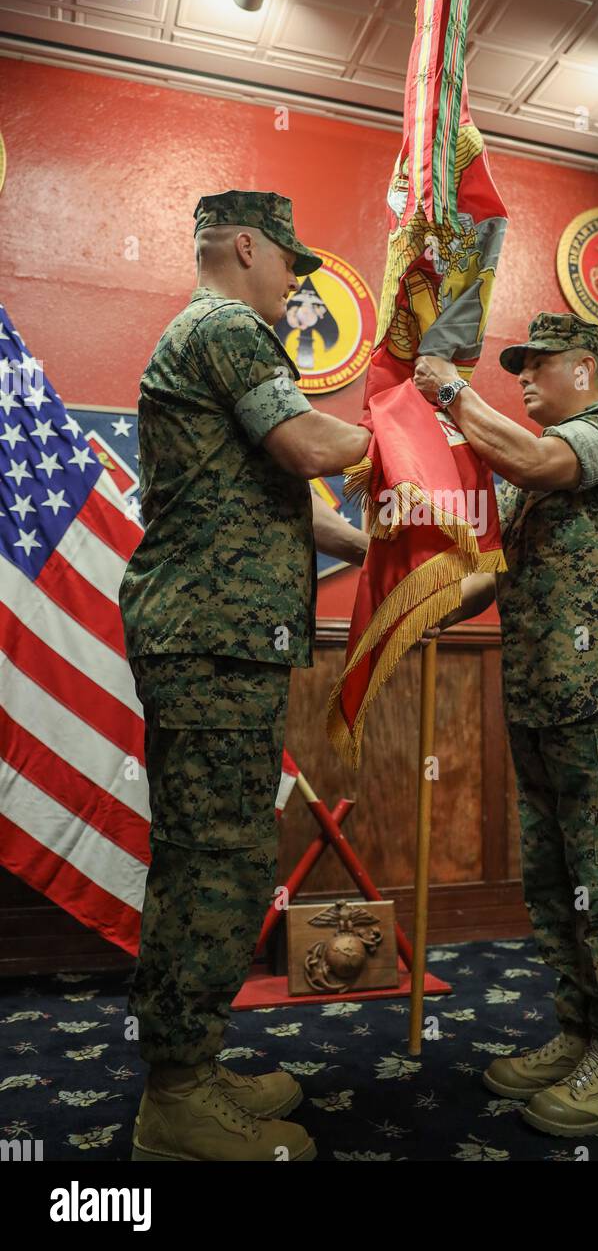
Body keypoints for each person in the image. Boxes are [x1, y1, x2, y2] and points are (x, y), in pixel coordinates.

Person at [119, 190, 371, 1162]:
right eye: (291, 266)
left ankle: (194, 1062)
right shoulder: (226, 325)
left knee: (219, 853)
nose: (296, 286)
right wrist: (399, 433)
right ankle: (176, 1095)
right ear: (244, 247)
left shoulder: (210, 334)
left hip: (225, 639)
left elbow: (285, 493)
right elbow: (308, 446)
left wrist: (362, 542)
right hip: (212, 641)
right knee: (214, 859)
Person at [414, 312, 598, 1137]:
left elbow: (528, 455)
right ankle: (579, 1036)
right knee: (557, 885)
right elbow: (492, 576)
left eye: (540, 364)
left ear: (588, 368)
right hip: (541, 702)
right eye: (516, 367)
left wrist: (452, 390)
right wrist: (419, 612)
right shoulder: (531, 480)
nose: (523, 376)